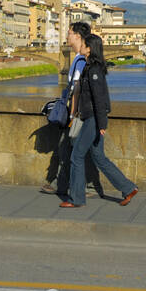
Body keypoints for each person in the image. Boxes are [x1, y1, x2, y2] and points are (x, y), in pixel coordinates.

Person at [60, 31, 138, 208]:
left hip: (93, 119)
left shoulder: (94, 70)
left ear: (89, 48)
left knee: (77, 156)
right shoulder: (89, 67)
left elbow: (100, 98)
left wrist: (102, 124)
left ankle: (76, 198)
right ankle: (128, 188)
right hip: (90, 117)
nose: (79, 46)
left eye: (83, 44)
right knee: (99, 157)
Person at [42, 23, 100, 199]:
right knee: (73, 148)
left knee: (73, 148)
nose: (66, 36)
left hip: (78, 113)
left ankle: (79, 185)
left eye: (69, 33)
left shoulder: (81, 59)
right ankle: (70, 184)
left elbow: (77, 87)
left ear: (77, 36)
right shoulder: (78, 57)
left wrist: (73, 114)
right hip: (78, 112)